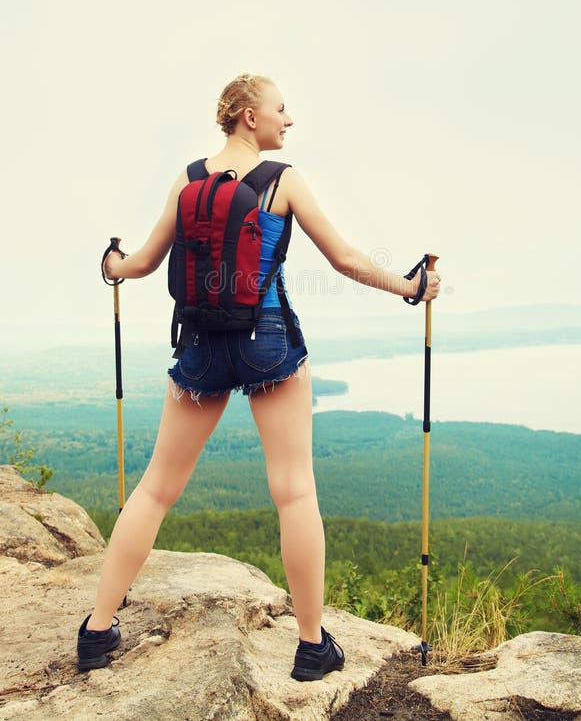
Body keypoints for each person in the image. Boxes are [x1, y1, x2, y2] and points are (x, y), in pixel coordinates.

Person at [78, 72, 441, 680]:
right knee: (294, 490)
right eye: (280, 109)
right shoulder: (283, 180)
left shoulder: (188, 180)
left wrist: (112, 262)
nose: (288, 119)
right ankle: (311, 646)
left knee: (156, 490)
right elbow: (346, 259)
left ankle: (97, 631)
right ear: (249, 116)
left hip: (198, 346)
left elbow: (139, 263)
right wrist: (410, 287)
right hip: (267, 343)